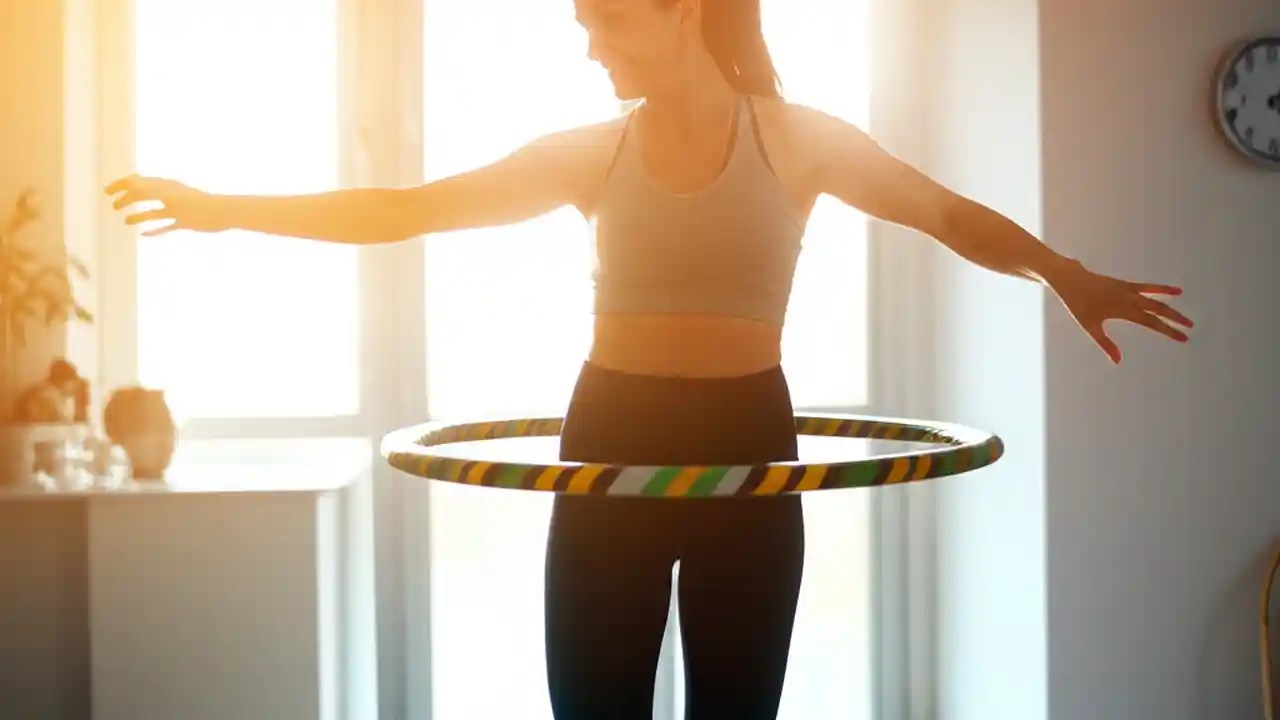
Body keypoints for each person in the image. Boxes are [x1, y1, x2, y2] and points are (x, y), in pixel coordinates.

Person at [105, 0, 1193, 716]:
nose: (588, 44)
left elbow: (944, 214)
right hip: (608, 441)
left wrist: (1064, 272)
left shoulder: (797, 138)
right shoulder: (590, 152)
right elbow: (404, 210)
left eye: (603, 19)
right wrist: (224, 210)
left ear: (679, 9)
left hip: (745, 444)